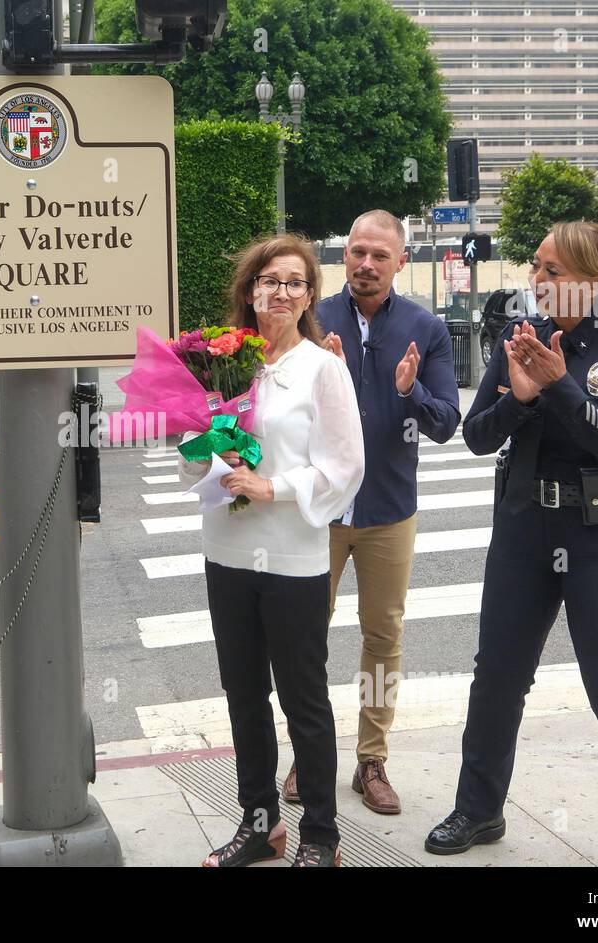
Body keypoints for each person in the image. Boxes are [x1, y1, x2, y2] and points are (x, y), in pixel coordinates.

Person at [425, 221, 598, 866]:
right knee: (498, 677)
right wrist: (523, 397)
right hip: (524, 530)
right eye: (535, 267)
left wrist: (561, 387)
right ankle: (478, 811)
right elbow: (478, 434)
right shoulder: (518, 338)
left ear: (592, 282)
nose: (537, 280)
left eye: (553, 270)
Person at [181, 234, 365, 867]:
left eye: (294, 282)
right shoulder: (220, 364)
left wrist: (272, 486)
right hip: (227, 550)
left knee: (302, 700)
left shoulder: (322, 367)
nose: (280, 291)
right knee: (243, 696)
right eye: (269, 280)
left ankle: (320, 837)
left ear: (309, 295)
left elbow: (345, 467)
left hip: (292, 558)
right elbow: (188, 459)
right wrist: (210, 452)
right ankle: (260, 825)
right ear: (250, 290)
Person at [284, 211, 460, 815]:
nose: (366, 263)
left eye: (380, 255)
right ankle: (307, 757)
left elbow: (445, 424)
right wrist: (320, 373)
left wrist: (409, 389)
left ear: (401, 262)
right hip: (319, 512)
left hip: (388, 509)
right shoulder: (311, 319)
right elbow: (276, 412)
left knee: (382, 635)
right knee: (304, 636)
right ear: (344, 256)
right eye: (357, 252)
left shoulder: (425, 328)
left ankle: (371, 759)